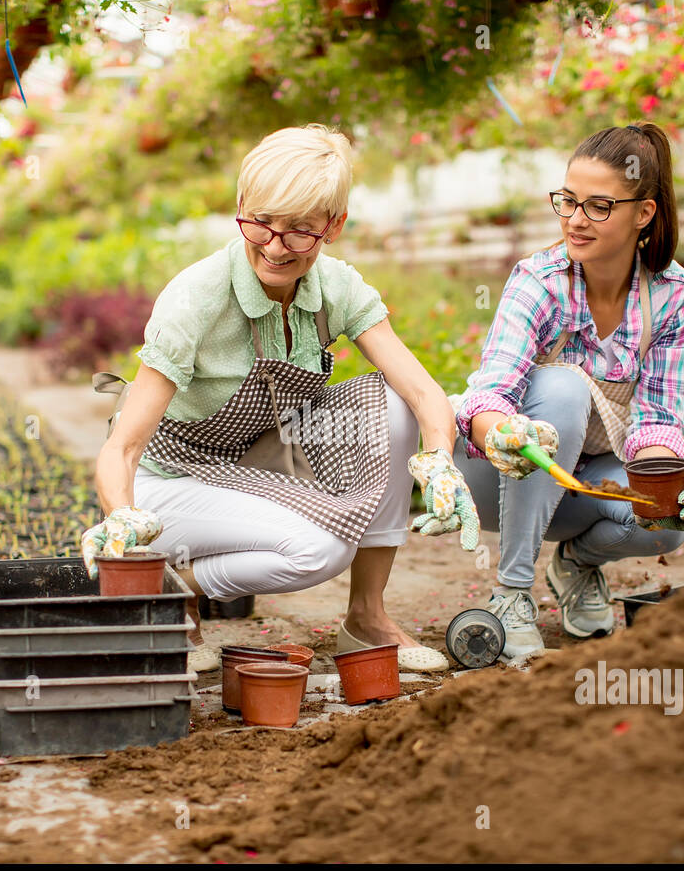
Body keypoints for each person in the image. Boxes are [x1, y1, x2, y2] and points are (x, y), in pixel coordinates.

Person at [83, 124, 480, 674]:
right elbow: (123, 447)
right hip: (172, 481)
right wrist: (120, 516)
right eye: (261, 224)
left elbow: (421, 390)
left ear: (334, 226)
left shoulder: (337, 288)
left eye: (299, 232)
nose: (274, 247)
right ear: (241, 206)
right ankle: (170, 591)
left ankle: (366, 619)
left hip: (264, 465)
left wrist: (439, 460)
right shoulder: (197, 297)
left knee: (393, 403)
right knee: (319, 550)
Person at [453, 122, 684, 658]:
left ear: (645, 213)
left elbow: (659, 417)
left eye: (597, 206)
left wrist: (667, 484)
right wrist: (509, 432)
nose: (574, 220)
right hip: (505, 472)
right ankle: (512, 593)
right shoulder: (540, 281)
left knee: (667, 525)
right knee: (563, 387)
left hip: (585, 480)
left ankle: (577, 564)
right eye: (567, 201)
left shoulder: (675, 295)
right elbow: (490, 392)